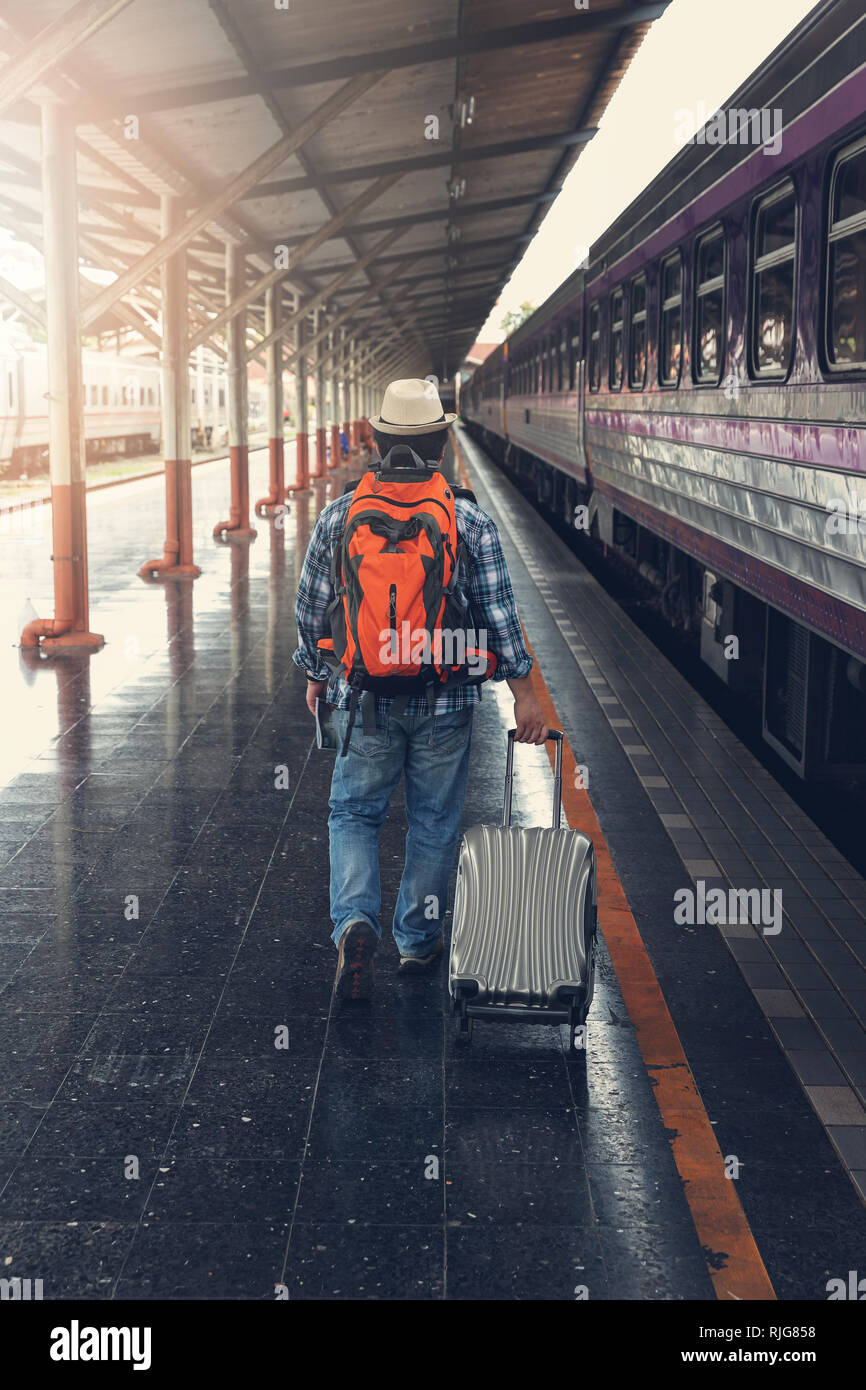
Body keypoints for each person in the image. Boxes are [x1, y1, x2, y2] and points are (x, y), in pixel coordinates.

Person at [293, 378, 547, 1004]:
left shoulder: (340, 515)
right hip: (447, 698)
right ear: (439, 441)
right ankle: (416, 938)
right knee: (434, 821)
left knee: (354, 814)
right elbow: (501, 618)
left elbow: (311, 609)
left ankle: (355, 921)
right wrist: (526, 695)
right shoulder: (467, 521)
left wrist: (318, 673)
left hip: (365, 700)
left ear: (377, 440)